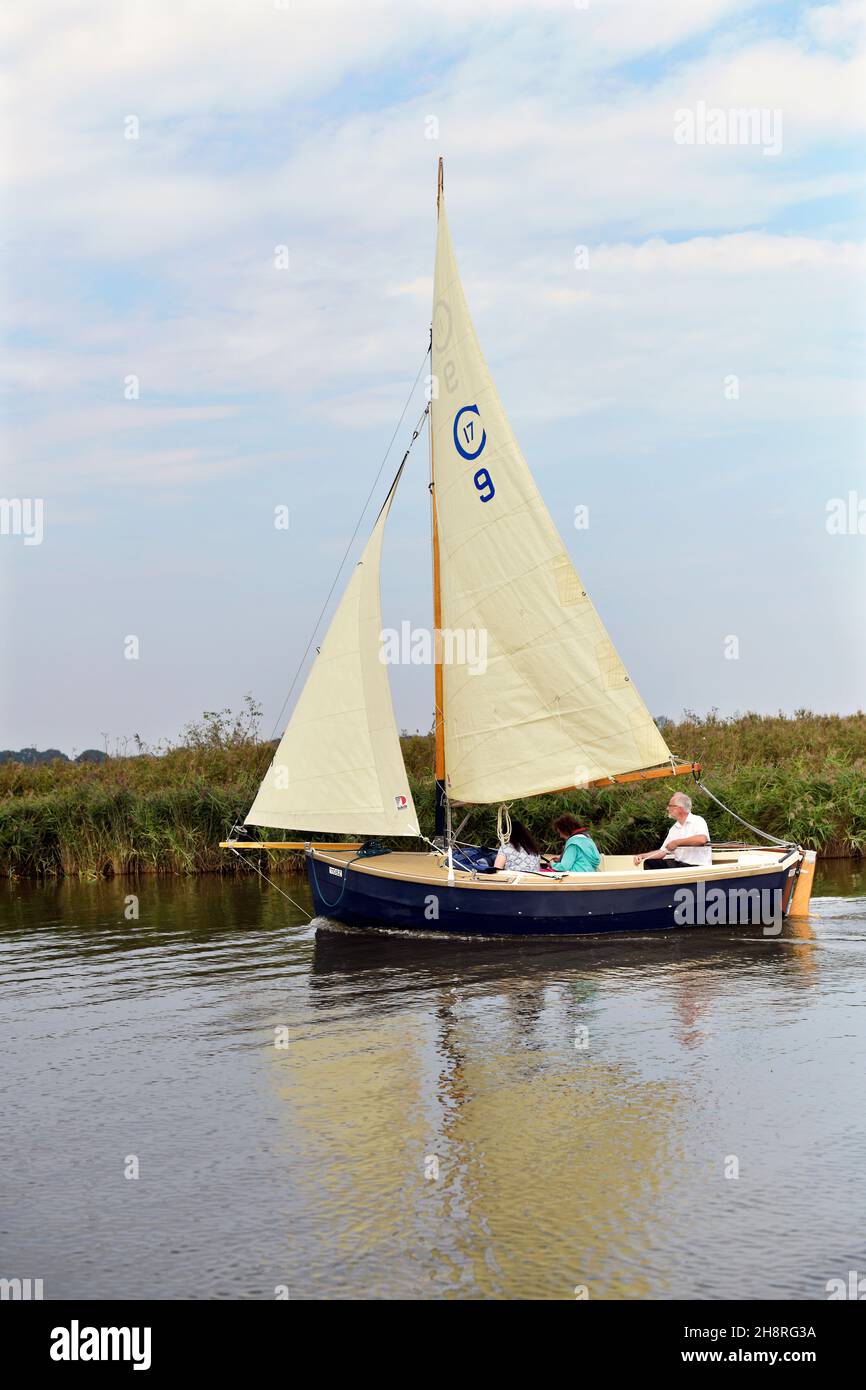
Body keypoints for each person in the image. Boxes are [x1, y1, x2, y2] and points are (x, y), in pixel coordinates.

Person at [634, 791, 711, 869]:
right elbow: (663, 851)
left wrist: (676, 843)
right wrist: (642, 856)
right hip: (679, 865)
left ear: (680, 808)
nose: (667, 808)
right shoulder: (674, 828)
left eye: (670, 806)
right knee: (649, 863)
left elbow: (702, 839)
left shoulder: (698, 820)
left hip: (697, 866)